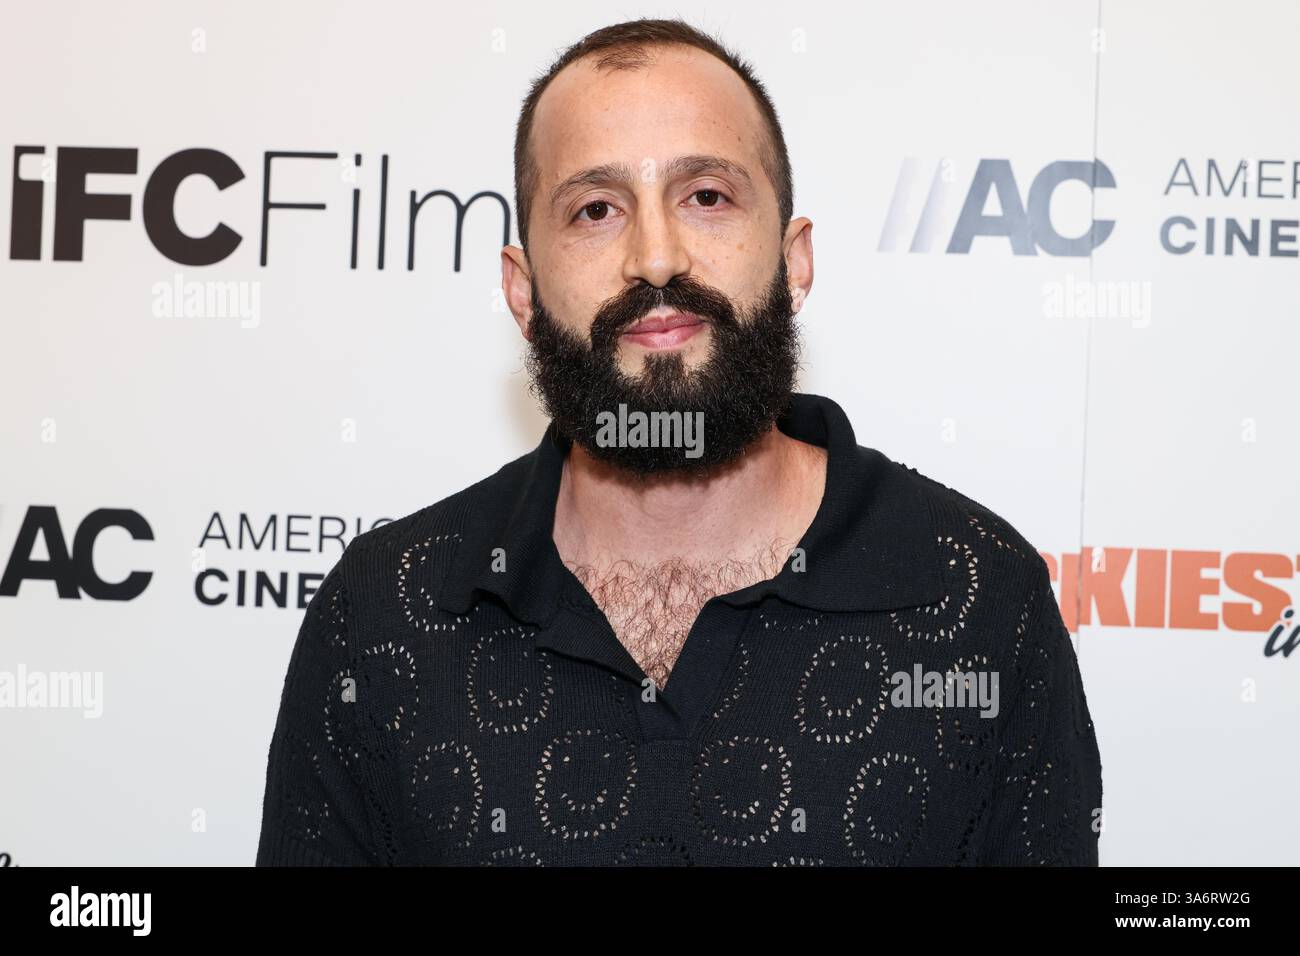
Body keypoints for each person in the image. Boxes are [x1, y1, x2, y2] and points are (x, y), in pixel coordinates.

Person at [255, 17, 1102, 866]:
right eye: (595, 209)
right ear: (522, 289)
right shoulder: (383, 614)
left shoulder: (979, 598)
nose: (656, 258)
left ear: (793, 259)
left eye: (707, 196)